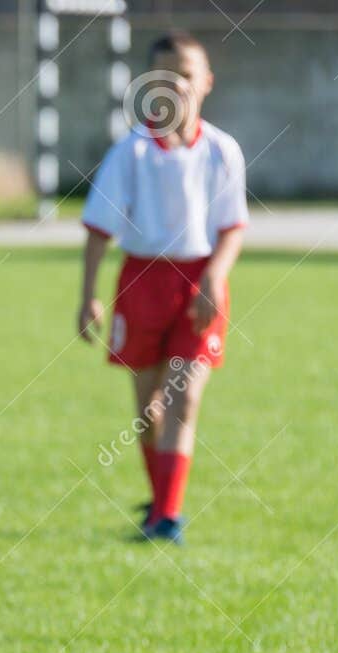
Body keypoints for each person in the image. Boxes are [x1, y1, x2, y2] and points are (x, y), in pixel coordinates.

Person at [78, 30, 248, 545]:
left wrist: (215, 276)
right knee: (149, 408)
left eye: (186, 75)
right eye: (165, 76)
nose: (177, 86)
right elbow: (99, 229)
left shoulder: (222, 150)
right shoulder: (131, 151)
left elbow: (232, 227)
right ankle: (160, 501)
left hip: (199, 284)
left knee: (184, 398)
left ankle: (167, 518)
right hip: (141, 281)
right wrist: (88, 295)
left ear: (207, 82)